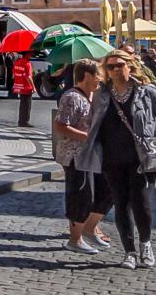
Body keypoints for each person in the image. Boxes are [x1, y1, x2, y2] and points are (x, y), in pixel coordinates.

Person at [82, 49, 156, 268]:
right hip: (112, 158)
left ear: (130, 66)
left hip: (140, 158)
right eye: (110, 67)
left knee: (141, 203)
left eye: (119, 65)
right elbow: (93, 121)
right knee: (121, 205)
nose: (115, 69)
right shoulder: (102, 94)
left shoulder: (146, 91)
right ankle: (129, 252)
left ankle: (145, 244)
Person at [54, 58, 114, 254]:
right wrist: (86, 136)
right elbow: (61, 126)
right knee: (81, 196)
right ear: (86, 75)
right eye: (97, 75)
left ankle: (89, 228)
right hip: (76, 156)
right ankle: (75, 239)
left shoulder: (94, 96)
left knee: (105, 192)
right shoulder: (72, 97)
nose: (100, 79)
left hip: (94, 155)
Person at [14, 51, 37, 127]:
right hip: (27, 87)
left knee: (22, 104)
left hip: (19, 86)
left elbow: (14, 74)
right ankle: (25, 122)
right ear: (27, 54)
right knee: (27, 105)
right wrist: (33, 87)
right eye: (30, 54)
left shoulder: (17, 62)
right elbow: (29, 77)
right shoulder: (27, 64)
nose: (31, 55)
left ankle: (20, 121)